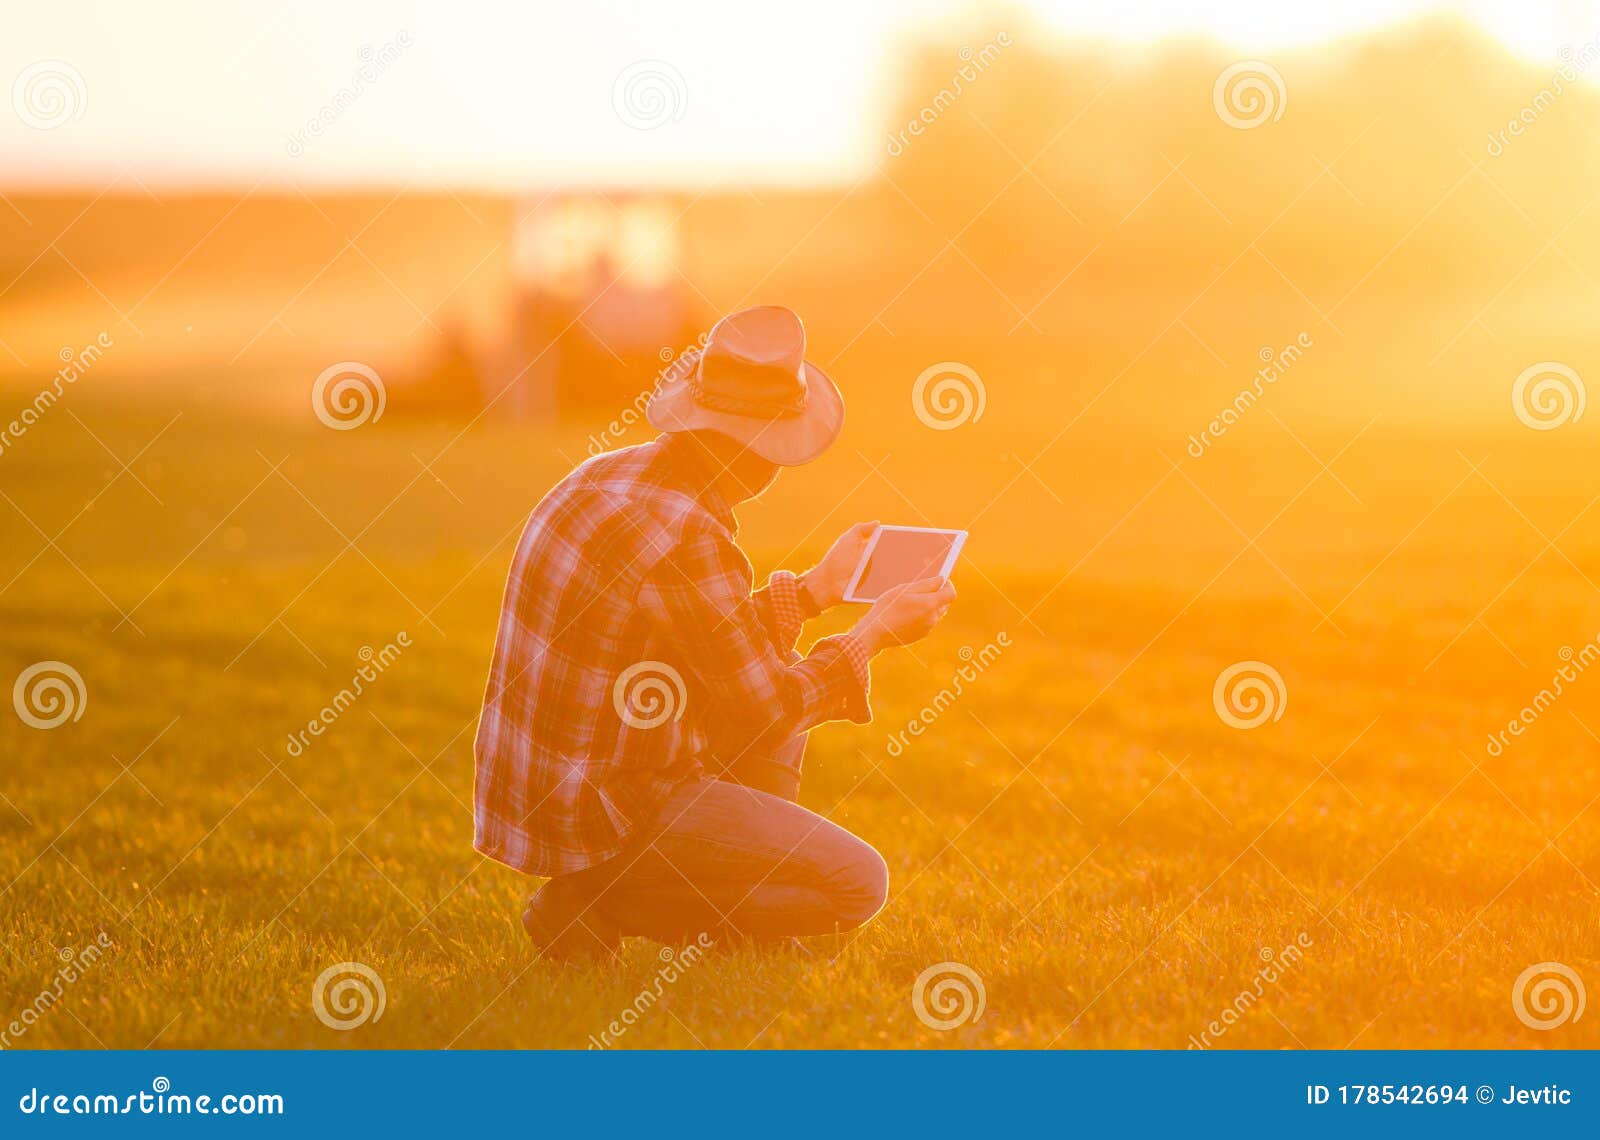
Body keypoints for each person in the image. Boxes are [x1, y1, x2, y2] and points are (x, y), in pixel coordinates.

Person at [473, 305, 957, 961]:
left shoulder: (608, 476)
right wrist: (874, 633)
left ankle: (651, 895)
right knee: (857, 884)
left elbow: (712, 644)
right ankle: (599, 901)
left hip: (548, 794)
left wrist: (817, 589)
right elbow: (768, 705)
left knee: (773, 697)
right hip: (609, 807)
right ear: (763, 457)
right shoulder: (691, 535)